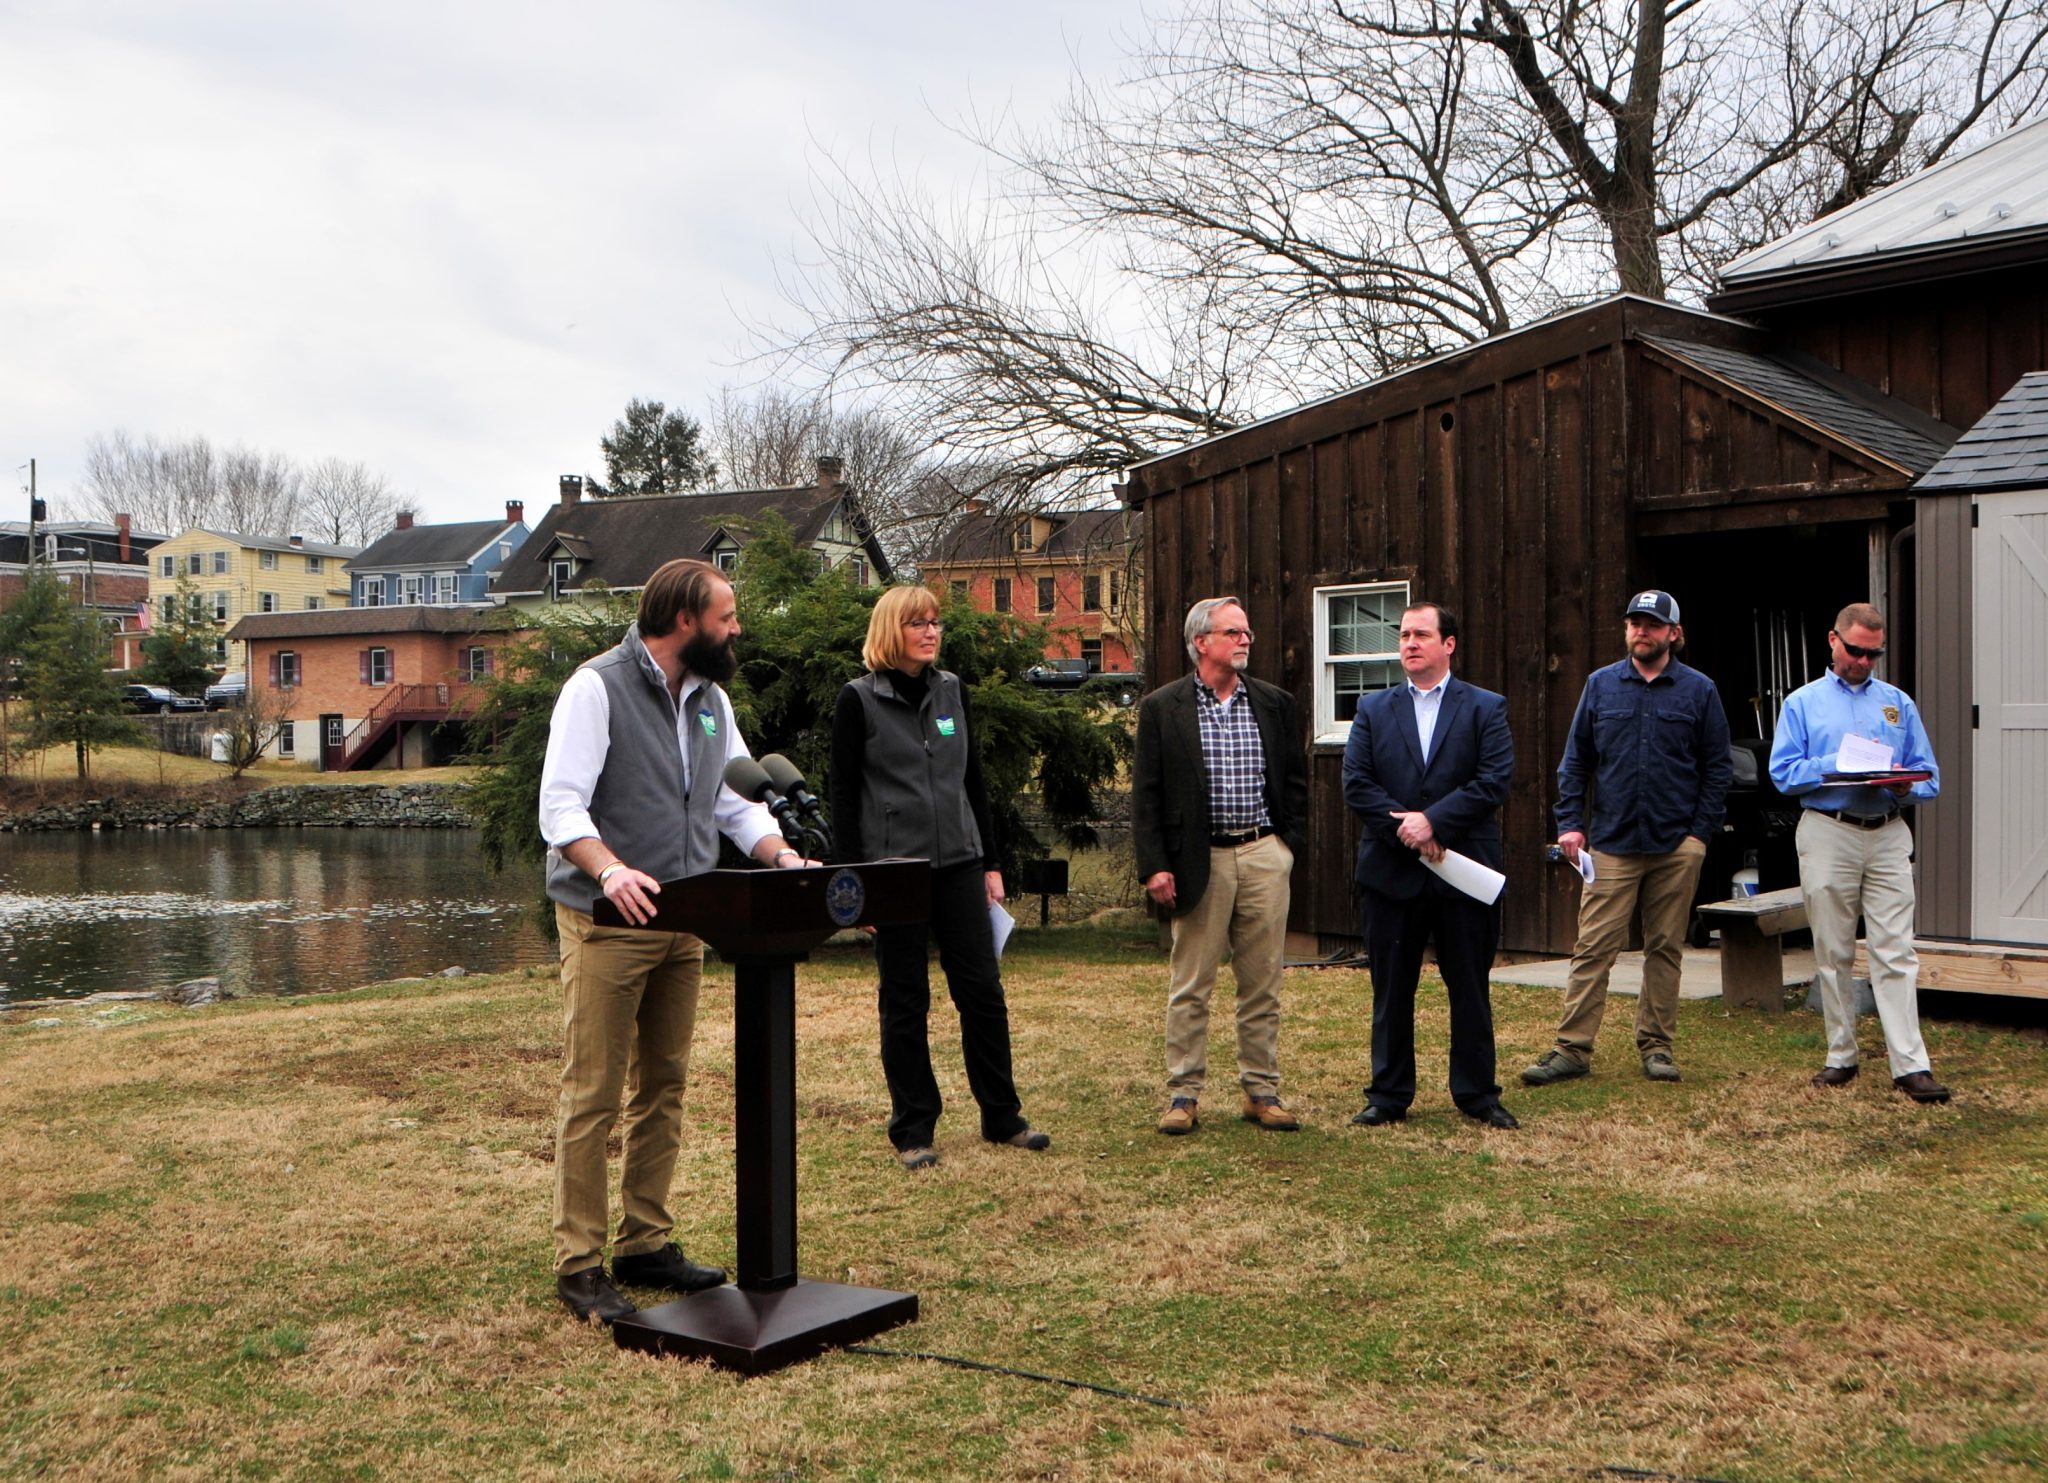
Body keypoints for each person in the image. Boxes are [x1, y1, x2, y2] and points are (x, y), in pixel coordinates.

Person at [538, 558, 811, 1325]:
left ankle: (645, 1240)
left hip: (685, 917)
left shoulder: (711, 700)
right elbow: (561, 807)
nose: (737, 629)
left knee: (664, 1083)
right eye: (727, 616)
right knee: (593, 1092)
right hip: (607, 921)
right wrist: (610, 868)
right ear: (686, 619)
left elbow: (736, 802)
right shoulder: (596, 688)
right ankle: (580, 1263)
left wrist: (785, 857)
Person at [829, 585, 1052, 1171]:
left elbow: (973, 782)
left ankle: (1002, 1116)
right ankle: (913, 1129)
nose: (931, 632)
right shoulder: (858, 700)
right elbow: (842, 797)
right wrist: (853, 885)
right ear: (890, 631)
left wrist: (992, 863)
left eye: (935, 623)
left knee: (982, 991)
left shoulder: (952, 691)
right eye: (917, 624)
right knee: (905, 1000)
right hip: (894, 871)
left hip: (959, 863)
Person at [1523, 590, 1732, 1087]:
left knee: (1665, 947)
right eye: (1635, 623)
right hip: (1612, 844)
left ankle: (1657, 1047)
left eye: (1653, 625)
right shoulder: (1600, 686)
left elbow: (1717, 767)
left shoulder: (1699, 691)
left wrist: (1698, 835)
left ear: (1674, 634)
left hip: (1674, 845)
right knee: (1593, 946)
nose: (1642, 631)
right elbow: (1575, 763)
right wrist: (1570, 824)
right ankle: (1572, 1049)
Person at [1132, 596, 1309, 1135]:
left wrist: (1286, 847)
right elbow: (1147, 795)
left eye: (1247, 632)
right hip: (1197, 859)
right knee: (1192, 983)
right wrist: (1155, 865)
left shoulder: (1275, 704)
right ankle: (1183, 1095)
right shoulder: (1164, 708)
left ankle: (1261, 1090)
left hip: (1262, 853)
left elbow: (1296, 782)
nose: (1245, 640)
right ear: (1201, 642)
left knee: (1262, 981)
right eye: (1233, 632)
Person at [1342, 602, 1519, 1129]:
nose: (1409, 644)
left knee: (1469, 986)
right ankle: (1388, 1095)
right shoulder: (1373, 709)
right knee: (1392, 990)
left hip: (1463, 869)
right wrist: (1410, 830)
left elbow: (1494, 781)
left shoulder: (1486, 708)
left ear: (1449, 644)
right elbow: (1357, 784)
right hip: (1391, 873)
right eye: (1403, 636)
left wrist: (1435, 823)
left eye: (1421, 634)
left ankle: (1478, 1094)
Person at [1768, 602, 1949, 1103]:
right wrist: (1838, 763)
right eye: (1855, 652)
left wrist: (1901, 784)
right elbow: (1783, 773)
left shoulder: (1897, 703)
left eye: (1874, 655)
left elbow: (1928, 775)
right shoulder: (1802, 703)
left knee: (1896, 948)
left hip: (1887, 828)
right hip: (1830, 828)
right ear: (1833, 640)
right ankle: (1841, 1055)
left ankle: (1910, 1065)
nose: (1864, 662)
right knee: (1833, 948)